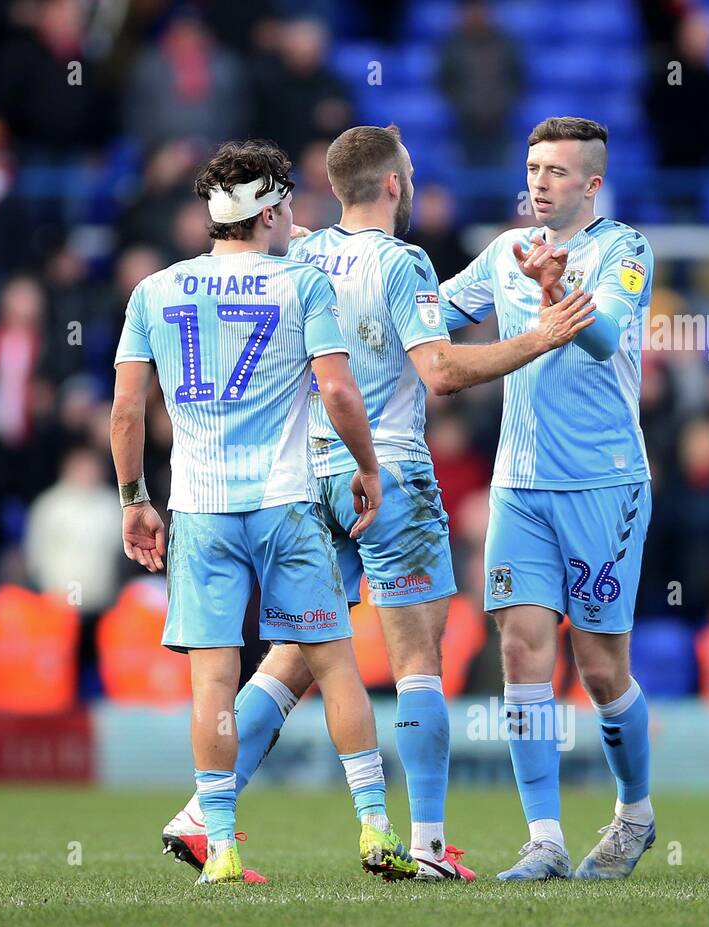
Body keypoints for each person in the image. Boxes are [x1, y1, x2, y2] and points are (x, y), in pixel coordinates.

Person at [158, 124, 597, 881]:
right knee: (416, 657)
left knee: (300, 654)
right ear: (393, 184)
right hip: (383, 466)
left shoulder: (296, 254)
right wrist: (540, 336)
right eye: (412, 173)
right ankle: (426, 844)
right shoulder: (402, 261)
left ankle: (202, 811)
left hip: (300, 476)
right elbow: (440, 371)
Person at [110, 138, 415, 884]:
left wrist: (134, 501)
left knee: (214, 682)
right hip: (285, 503)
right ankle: (375, 828)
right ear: (274, 211)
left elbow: (124, 412)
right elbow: (339, 392)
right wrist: (369, 467)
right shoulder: (301, 286)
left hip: (200, 509)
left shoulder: (155, 289)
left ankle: (220, 846)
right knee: (336, 667)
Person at [440, 116, 657, 881]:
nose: (540, 181)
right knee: (520, 649)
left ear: (592, 184)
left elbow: (602, 339)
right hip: (519, 486)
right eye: (533, 167)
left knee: (599, 670)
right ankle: (546, 838)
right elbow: (431, 314)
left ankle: (635, 813)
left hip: (605, 486)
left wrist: (556, 286)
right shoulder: (504, 252)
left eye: (558, 171)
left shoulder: (625, 250)